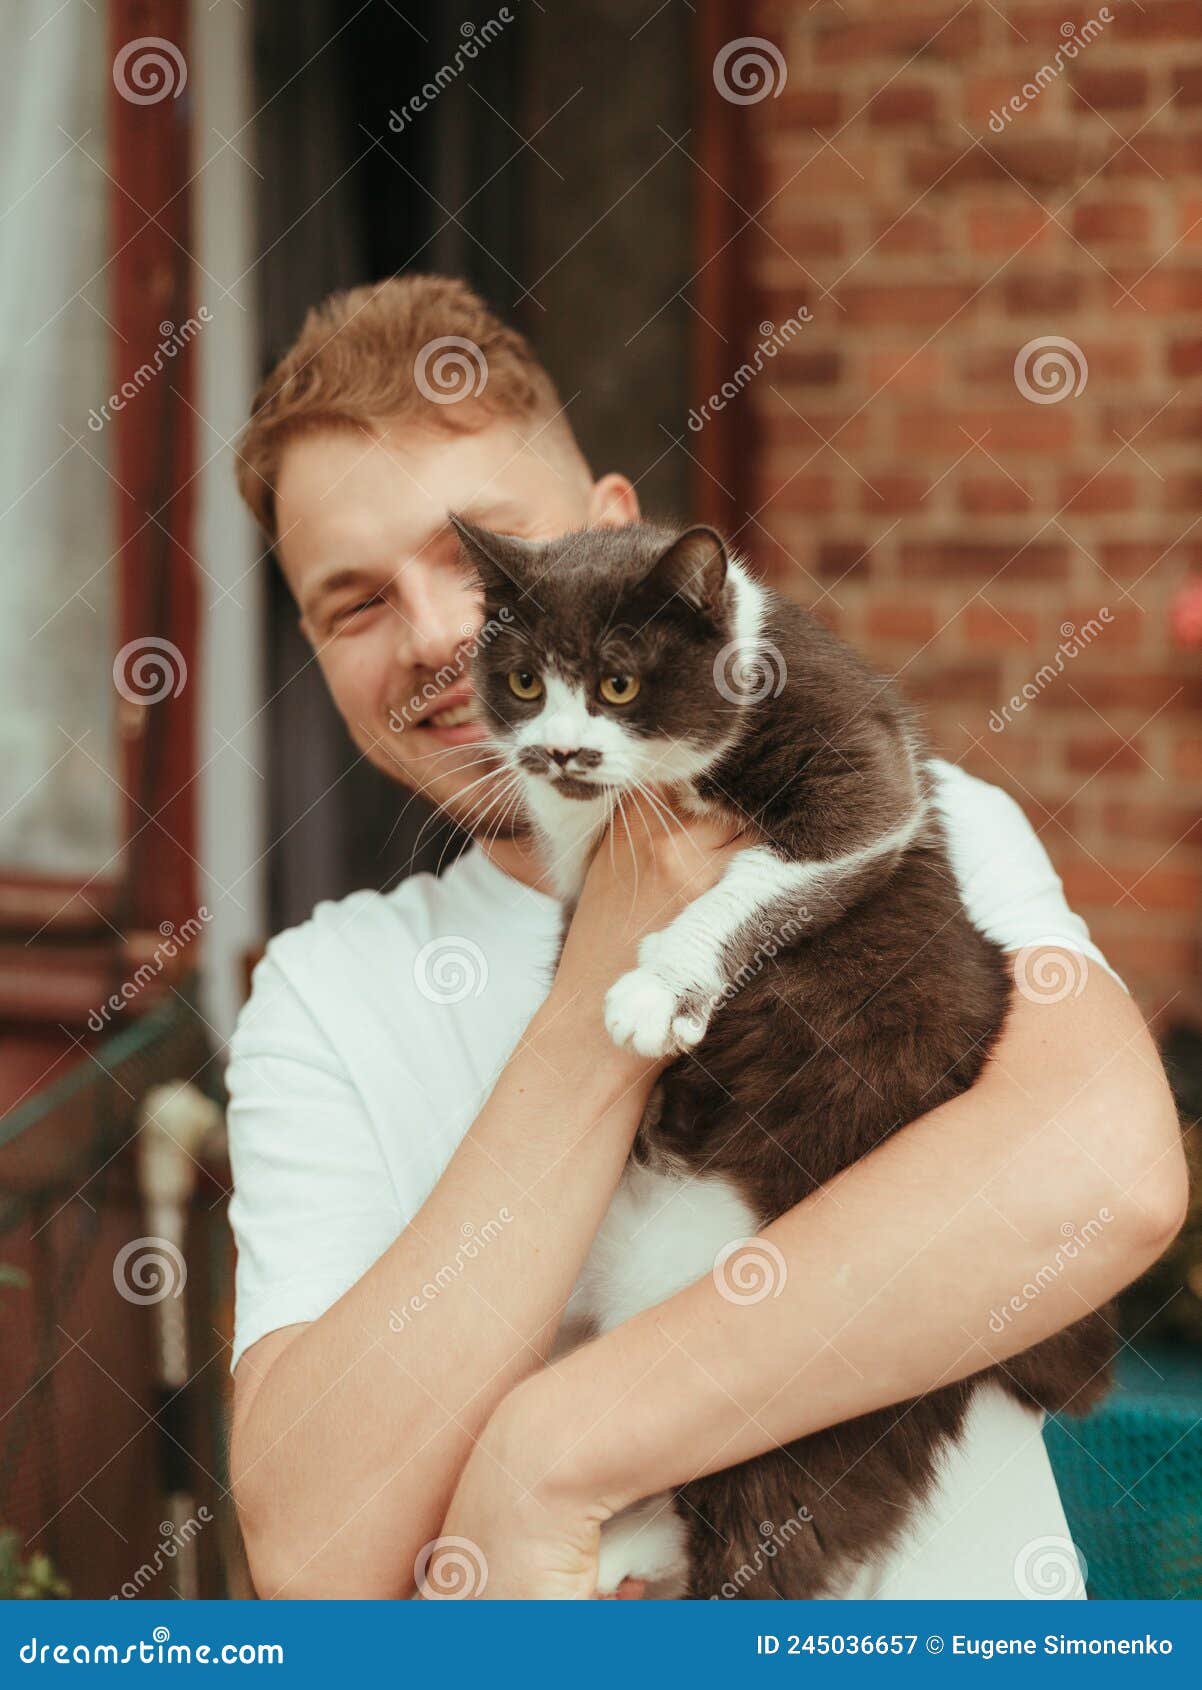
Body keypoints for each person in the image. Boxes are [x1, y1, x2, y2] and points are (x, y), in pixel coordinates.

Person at [225, 274, 1185, 1601]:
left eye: (477, 556)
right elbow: (318, 1557)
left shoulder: (902, 815)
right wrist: (597, 994)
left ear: (620, 534)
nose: (442, 633)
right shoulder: (326, 991)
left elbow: (1108, 1174)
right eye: (354, 602)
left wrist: (549, 1451)